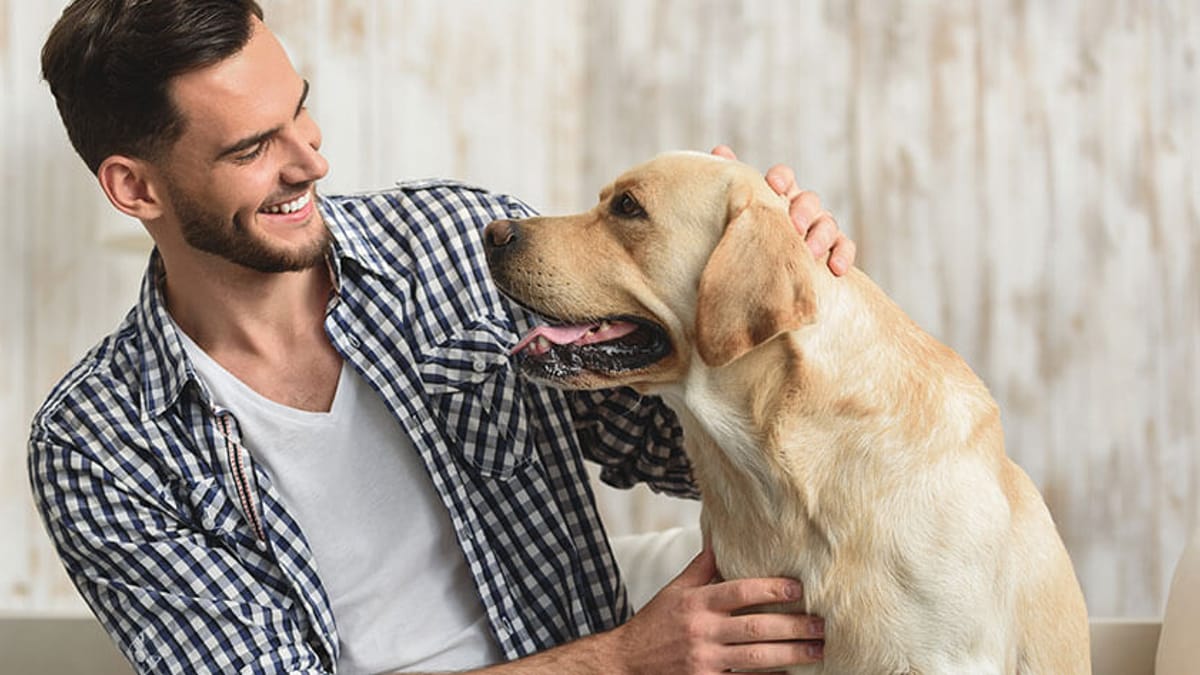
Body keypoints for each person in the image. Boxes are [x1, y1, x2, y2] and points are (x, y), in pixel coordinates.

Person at [29, 1, 857, 674]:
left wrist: (763, 287)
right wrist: (627, 657)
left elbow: (676, 453)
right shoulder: (99, 442)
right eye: (252, 148)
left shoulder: (457, 241)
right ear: (135, 187)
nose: (310, 161)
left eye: (300, 110)